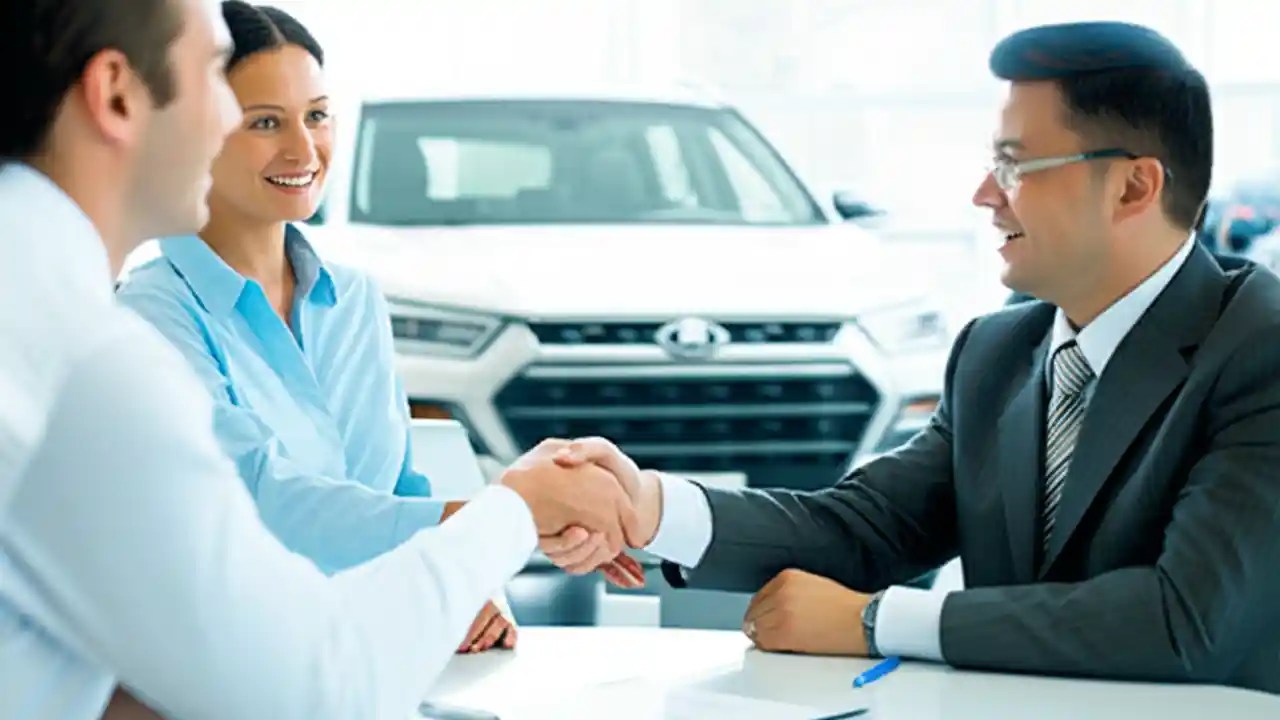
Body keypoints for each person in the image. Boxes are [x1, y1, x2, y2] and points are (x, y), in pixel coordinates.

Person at [545, 22, 1280, 693]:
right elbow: (863, 528)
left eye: (1016, 165)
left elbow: (1184, 619)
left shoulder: (1258, 346)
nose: (985, 194)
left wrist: (873, 622)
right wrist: (646, 507)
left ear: (1132, 186)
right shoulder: (998, 351)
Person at [0, 1, 638, 718]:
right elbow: (308, 684)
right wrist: (510, 513)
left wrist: (452, 579)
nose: (292, 145)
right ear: (117, 93)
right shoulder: (87, 353)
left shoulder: (38, 305)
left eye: (317, 115)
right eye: (217, 77)